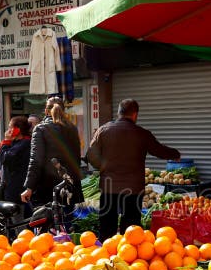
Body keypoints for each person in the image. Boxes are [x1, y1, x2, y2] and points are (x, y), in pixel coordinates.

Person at [87, 98, 180, 238]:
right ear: (135, 114)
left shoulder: (104, 130)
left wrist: (103, 166)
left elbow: (91, 155)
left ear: (119, 113)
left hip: (109, 186)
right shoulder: (142, 134)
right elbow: (159, 150)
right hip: (133, 189)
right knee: (131, 227)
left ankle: (105, 254)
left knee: (107, 224)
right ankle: (129, 254)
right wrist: (175, 154)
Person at [22, 97, 84, 208]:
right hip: (70, 185)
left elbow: (36, 160)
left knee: (47, 222)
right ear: (64, 110)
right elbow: (76, 158)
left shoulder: (40, 129)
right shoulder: (72, 128)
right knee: (66, 222)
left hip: (48, 188)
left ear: (46, 110)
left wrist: (29, 187)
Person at [0, 116, 32, 220]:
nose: (8, 131)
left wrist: (6, 142)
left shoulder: (24, 144)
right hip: (14, 187)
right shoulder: (18, 143)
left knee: (18, 220)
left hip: (17, 189)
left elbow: (5, 159)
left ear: (17, 129)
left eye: (10, 127)